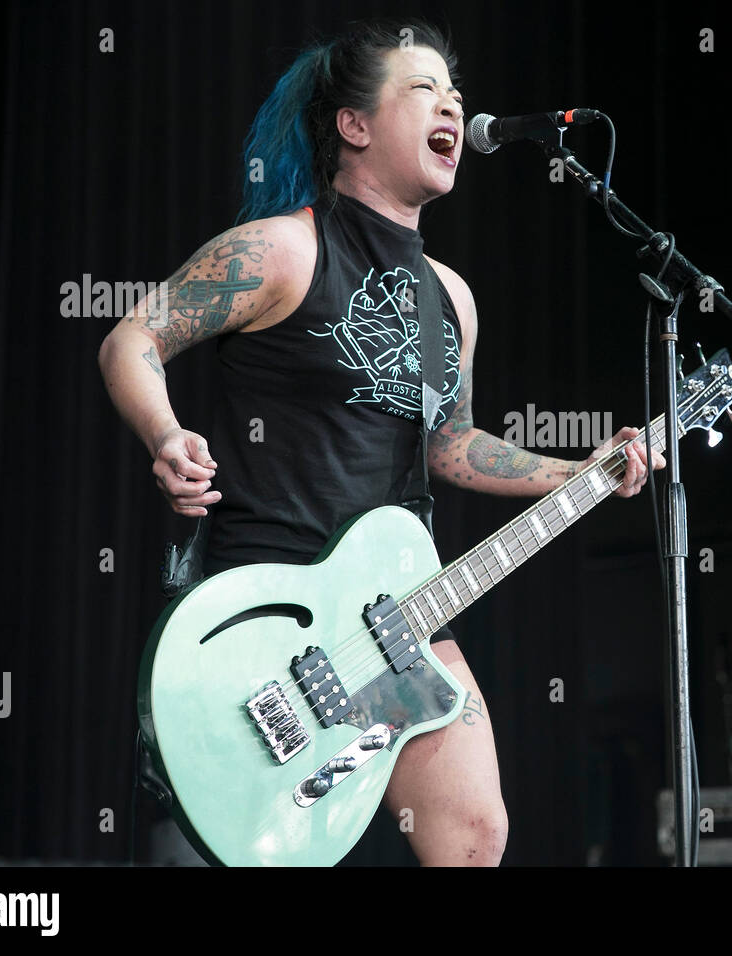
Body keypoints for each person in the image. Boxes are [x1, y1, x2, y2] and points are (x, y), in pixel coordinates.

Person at [97, 18, 664, 866]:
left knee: (476, 834)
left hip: (401, 609)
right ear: (354, 125)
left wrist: (576, 469)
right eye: (424, 88)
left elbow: (452, 444)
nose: (454, 105)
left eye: (457, 94)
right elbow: (132, 340)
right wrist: (167, 432)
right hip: (274, 609)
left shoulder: (454, 301)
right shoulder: (281, 251)